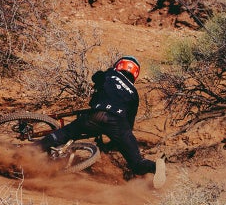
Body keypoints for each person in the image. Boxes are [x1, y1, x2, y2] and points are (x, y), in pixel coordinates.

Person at [38, 56, 166, 187]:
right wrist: (118, 140)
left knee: (65, 133)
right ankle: (155, 167)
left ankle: (32, 150)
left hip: (97, 114)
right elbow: (129, 123)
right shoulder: (134, 93)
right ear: (135, 73)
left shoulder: (111, 74)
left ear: (119, 65)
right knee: (137, 162)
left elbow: (96, 77)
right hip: (119, 123)